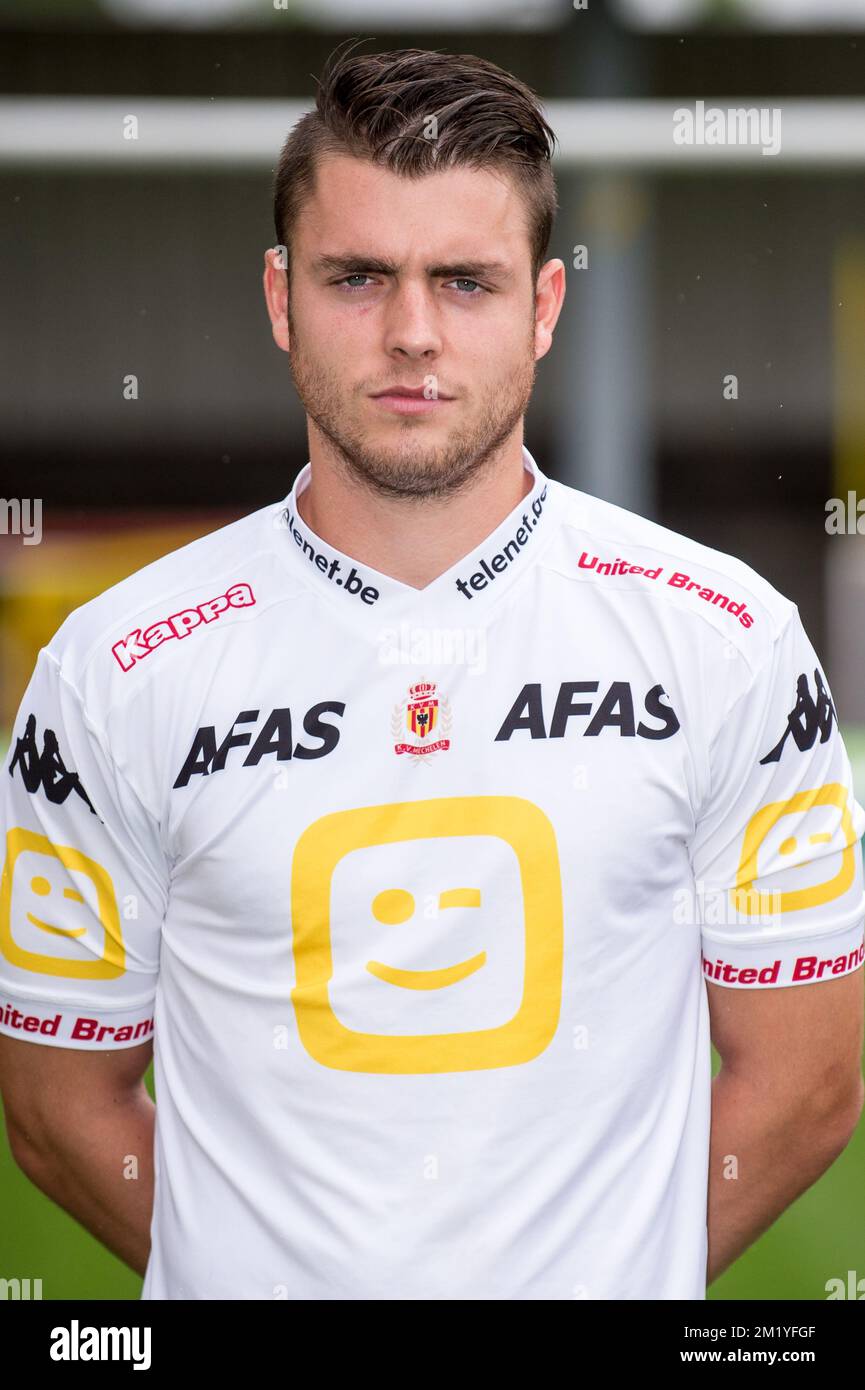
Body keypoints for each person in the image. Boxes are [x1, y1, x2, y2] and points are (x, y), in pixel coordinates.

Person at [1, 41, 862, 1302]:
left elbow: (807, 1084)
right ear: (281, 296)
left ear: (546, 306)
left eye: (465, 282)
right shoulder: (111, 669)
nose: (412, 333)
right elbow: (56, 1105)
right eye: (359, 277)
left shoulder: (723, 635)